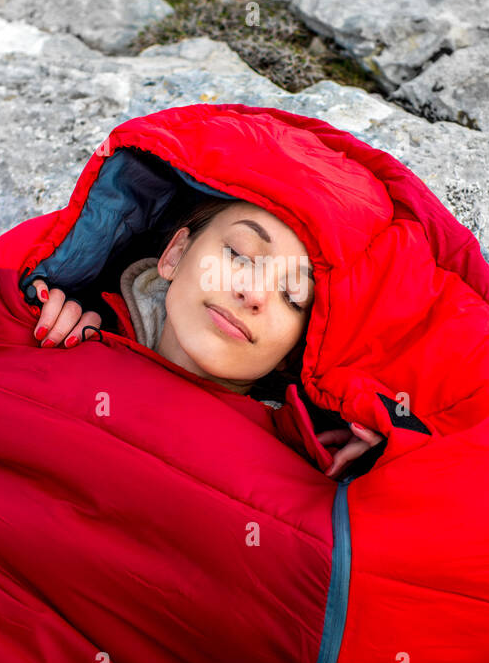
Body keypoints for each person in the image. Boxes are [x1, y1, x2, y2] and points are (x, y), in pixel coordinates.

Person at [29, 195, 381, 479]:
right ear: (175, 254)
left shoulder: (309, 465)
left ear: (294, 351)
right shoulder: (70, 332)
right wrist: (30, 327)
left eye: (293, 296)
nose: (254, 294)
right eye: (239, 254)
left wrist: (375, 472)